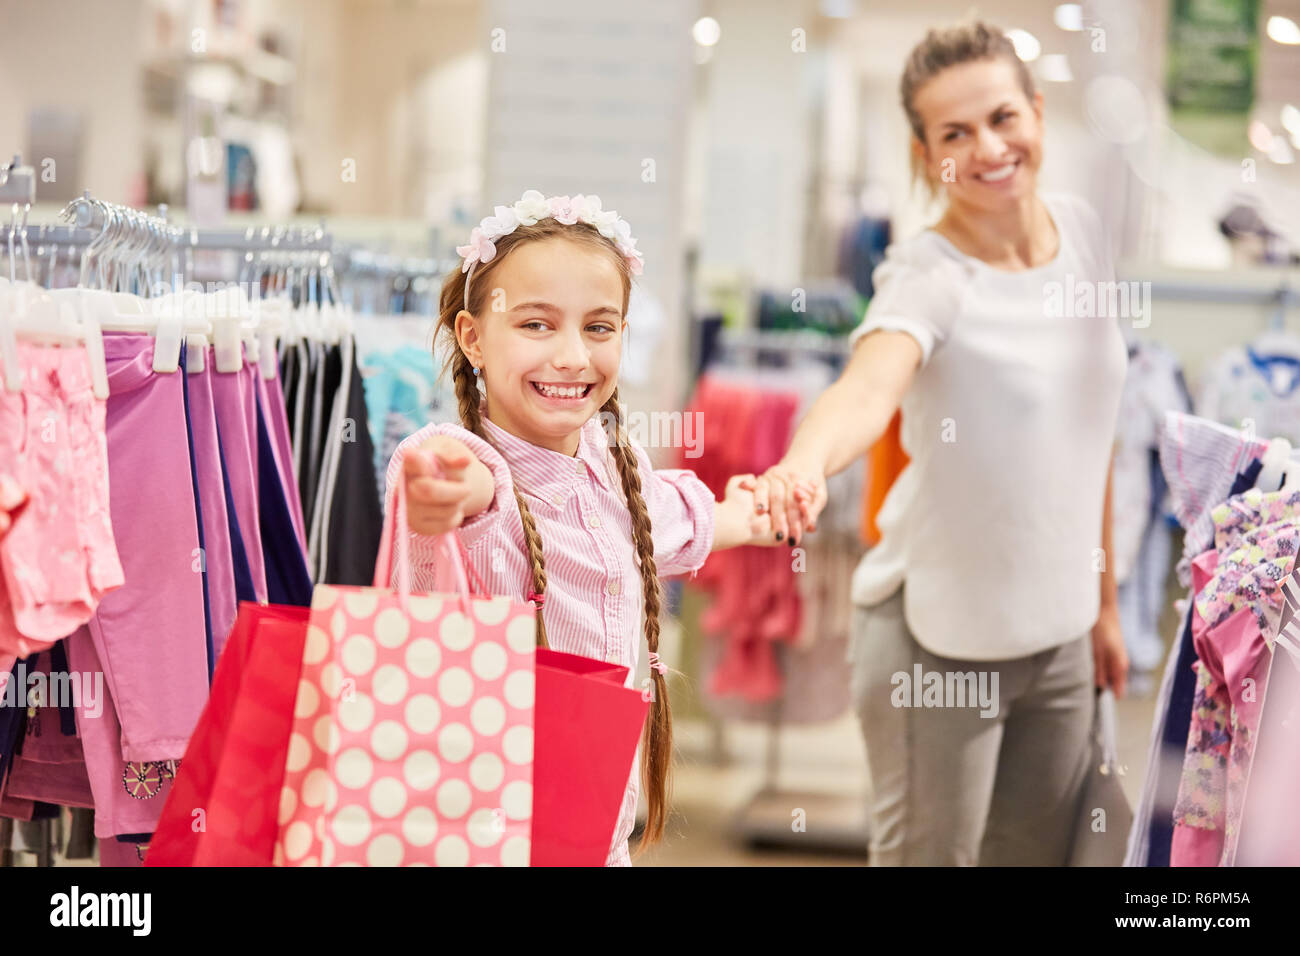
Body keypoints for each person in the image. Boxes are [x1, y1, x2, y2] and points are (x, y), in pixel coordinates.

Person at [750, 21, 1130, 866]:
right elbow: (866, 387)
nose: (989, 148)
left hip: (1062, 636)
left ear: (1036, 111)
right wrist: (799, 465)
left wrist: (1104, 606)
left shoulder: (1087, 238)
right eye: (955, 133)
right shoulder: (929, 273)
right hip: (937, 639)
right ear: (926, 156)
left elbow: (1090, 434)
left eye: (1003, 117)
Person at [385, 191, 776, 866]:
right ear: (473, 337)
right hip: (479, 838)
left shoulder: (608, 462)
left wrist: (760, 514)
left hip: (592, 833)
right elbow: (455, 481)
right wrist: (437, 494)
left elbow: (675, 521)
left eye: (599, 328)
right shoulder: (473, 462)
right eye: (537, 325)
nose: (571, 356)